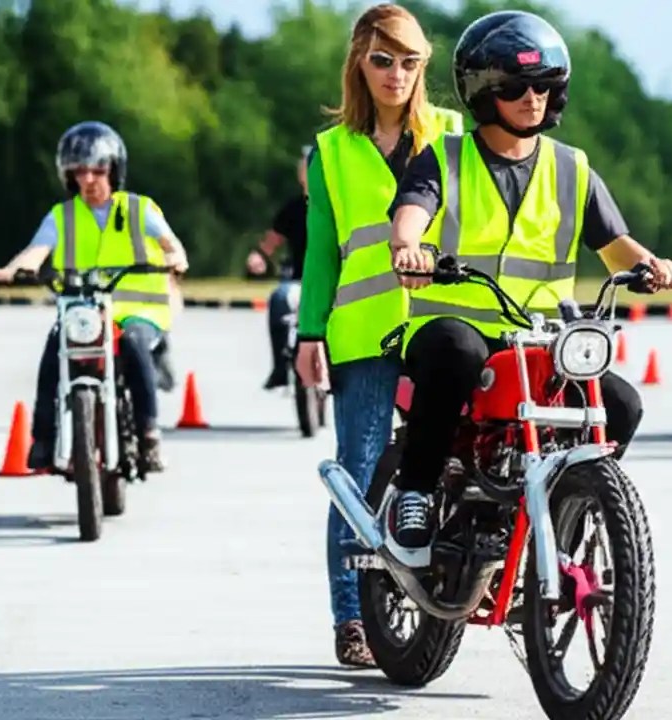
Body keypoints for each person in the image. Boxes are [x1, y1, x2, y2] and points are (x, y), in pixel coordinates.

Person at [385, 10, 672, 551]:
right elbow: (411, 213)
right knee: (455, 349)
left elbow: (620, 248)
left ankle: (565, 505)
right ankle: (415, 489)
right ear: (484, 92)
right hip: (452, 328)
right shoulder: (444, 159)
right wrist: (408, 247)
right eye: (517, 87)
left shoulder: (572, 169)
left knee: (621, 404)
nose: (534, 99)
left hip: (541, 341)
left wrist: (658, 268)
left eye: (545, 87)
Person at [295, 2, 464, 669]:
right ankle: (351, 619)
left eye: (410, 62)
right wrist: (309, 334)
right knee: (359, 478)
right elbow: (319, 256)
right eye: (382, 60)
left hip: (444, 329)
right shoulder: (330, 153)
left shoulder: (454, 135)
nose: (396, 74)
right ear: (358, 65)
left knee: (455, 468)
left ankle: (442, 593)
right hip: (364, 332)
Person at [0, 121, 189, 472]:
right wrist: (14, 268)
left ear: (114, 170)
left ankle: (149, 433)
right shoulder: (62, 216)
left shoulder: (140, 209)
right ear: (68, 175)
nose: (89, 179)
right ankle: (43, 437)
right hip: (85, 311)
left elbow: (170, 242)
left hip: (140, 312)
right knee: (54, 349)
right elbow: (38, 249)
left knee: (134, 345)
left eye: (98, 170)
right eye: (80, 171)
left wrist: (175, 257)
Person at [246, 146, 311, 390]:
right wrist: (259, 257)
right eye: (303, 168)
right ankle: (280, 368)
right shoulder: (292, 209)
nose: (306, 173)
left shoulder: (338, 204)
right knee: (279, 299)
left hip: (335, 281)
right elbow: (272, 241)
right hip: (299, 281)